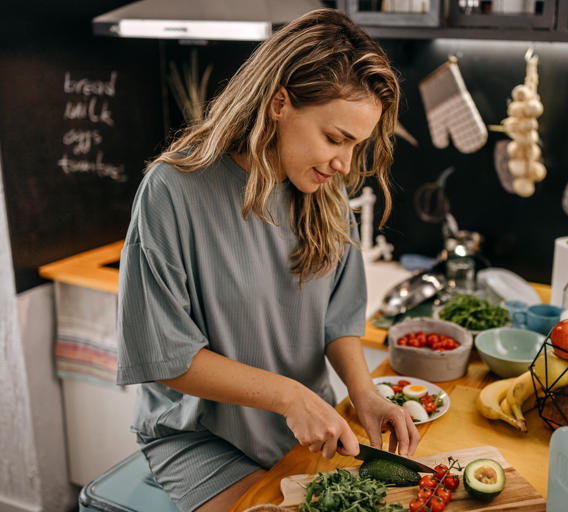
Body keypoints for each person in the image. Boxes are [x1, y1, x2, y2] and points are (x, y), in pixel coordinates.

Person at [115, 9, 419, 511]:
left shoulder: (324, 188)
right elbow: (167, 357)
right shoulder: (173, 190)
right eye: (335, 138)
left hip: (305, 429)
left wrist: (364, 392)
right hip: (202, 440)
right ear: (280, 103)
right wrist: (289, 397)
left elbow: (337, 317)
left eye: (355, 145)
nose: (344, 163)